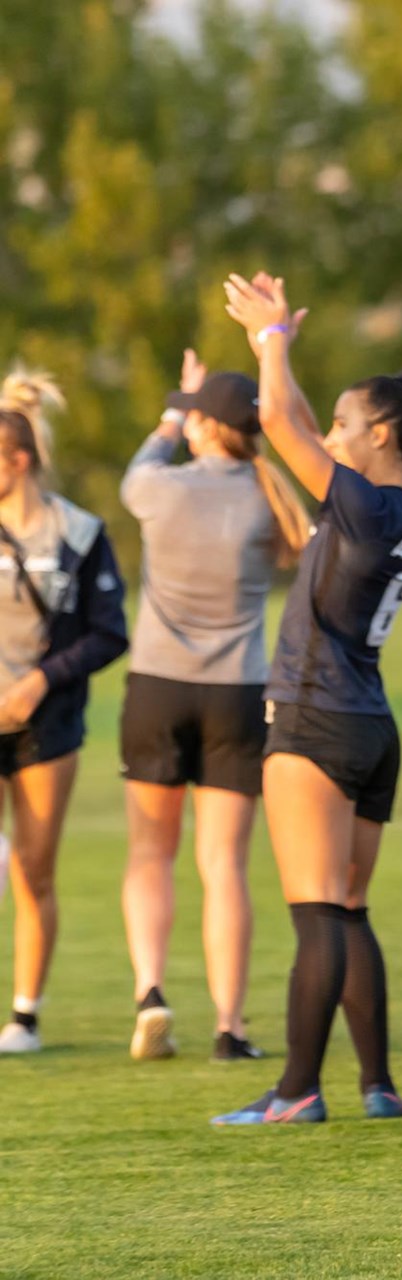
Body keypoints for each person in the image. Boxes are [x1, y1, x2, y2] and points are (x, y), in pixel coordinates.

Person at [210, 273, 402, 1123]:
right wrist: (278, 353)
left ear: (378, 433)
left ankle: (295, 1091)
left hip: (313, 721)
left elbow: (278, 424)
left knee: (316, 917)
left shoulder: (364, 507)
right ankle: (377, 1084)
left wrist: (271, 344)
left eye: (346, 425)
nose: (328, 435)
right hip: (372, 727)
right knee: (349, 909)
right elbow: (298, 426)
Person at [119, 348, 310, 1064]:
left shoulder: (159, 488)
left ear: (202, 426)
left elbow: (141, 465)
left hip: (157, 688)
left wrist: (172, 414)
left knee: (149, 854)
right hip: (237, 693)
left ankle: (150, 993)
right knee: (223, 864)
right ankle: (230, 1027)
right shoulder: (268, 496)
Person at [0, 366, 129, 1056]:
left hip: (45, 725)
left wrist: (39, 681)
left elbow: (110, 632)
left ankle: (24, 1015)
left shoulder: (76, 532)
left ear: (19, 460)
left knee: (35, 870)